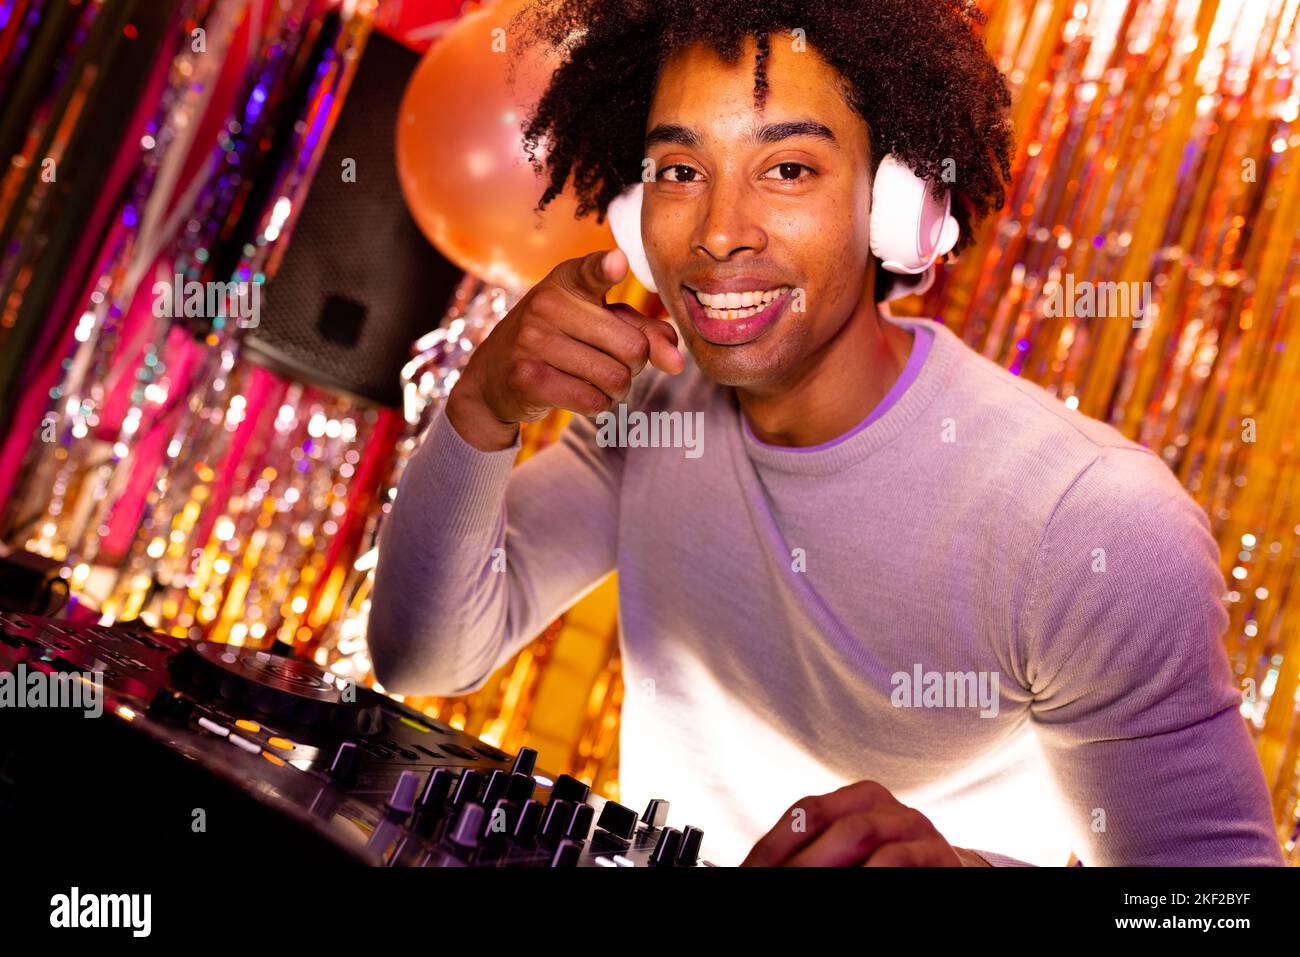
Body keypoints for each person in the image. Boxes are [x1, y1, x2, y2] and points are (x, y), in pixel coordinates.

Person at [368, 0, 1283, 867]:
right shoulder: (656, 406)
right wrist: (481, 405)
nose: (720, 234)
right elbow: (423, 655)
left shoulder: (1096, 525)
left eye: (790, 169)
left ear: (895, 206)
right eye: (681, 172)